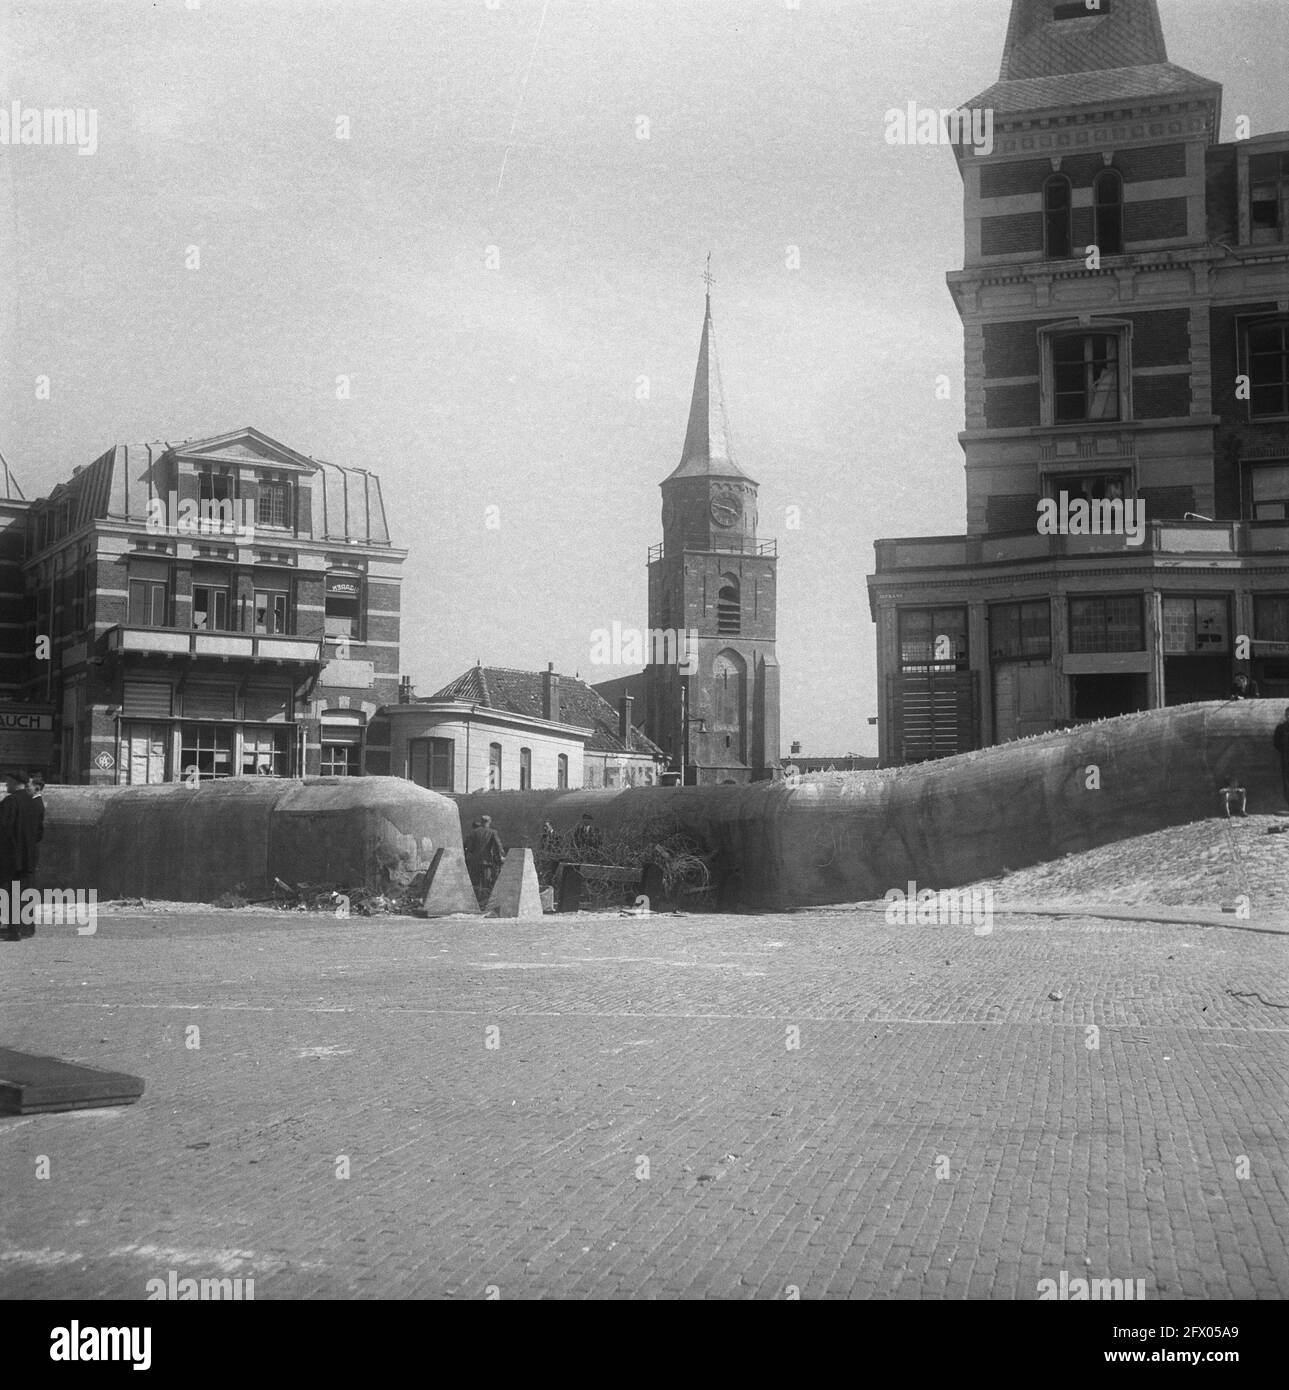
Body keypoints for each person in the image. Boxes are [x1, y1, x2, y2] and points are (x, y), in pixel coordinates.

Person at [0, 770, 42, 940]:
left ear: (15, 782)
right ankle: (27, 928)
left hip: (10, 857)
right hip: (29, 857)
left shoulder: (10, 802)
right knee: (26, 891)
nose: (6, 785)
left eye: (8, 782)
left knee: (9, 892)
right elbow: (39, 832)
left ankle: (14, 929)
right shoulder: (34, 803)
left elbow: (3, 829)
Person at [1274, 707, 1289, 812]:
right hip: (1286, 758)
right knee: (1287, 781)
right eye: (1287, 715)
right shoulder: (1280, 728)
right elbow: (1276, 743)